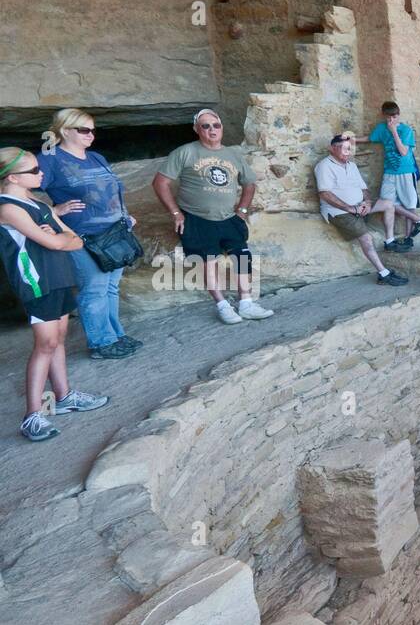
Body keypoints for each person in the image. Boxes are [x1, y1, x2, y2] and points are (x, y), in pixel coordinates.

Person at [0, 147, 109, 442]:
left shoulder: (36, 202)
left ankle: (63, 396)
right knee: (45, 343)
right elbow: (60, 242)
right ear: (13, 178)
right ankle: (32, 415)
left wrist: (56, 237)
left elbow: (73, 241)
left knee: (59, 337)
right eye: (34, 171)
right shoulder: (8, 208)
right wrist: (56, 239)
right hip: (36, 282)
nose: (41, 173)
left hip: (58, 276)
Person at [36, 108, 140, 360]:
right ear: (64, 130)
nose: (90, 135)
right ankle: (101, 343)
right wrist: (53, 210)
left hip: (115, 233)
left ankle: (115, 335)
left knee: (111, 287)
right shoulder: (50, 158)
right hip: (82, 235)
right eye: (84, 130)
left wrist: (124, 215)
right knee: (94, 288)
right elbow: (20, 187)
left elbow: (114, 189)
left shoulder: (96, 157)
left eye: (93, 130)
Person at [153, 109, 273, 324]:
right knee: (208, 261)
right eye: (205, 126)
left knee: (242, 256)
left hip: (229, 217)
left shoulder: (233, 154)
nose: (212, 130)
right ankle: (222, 305)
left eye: (216, 125)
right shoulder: (185, 152)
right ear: (196, 129)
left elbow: (249, 183)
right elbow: (161, 183)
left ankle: (246, 303)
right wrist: (175, 213)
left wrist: (242, 210)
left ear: (222, 128)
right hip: (197, 217)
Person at [314, 133, 410, 286]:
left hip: (360, 207)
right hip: (339, 212)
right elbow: (324, 193)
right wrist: (350, 208)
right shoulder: (324, 166)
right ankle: (383, 273)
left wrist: (367, 202)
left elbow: (364, 188)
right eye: (344, 148)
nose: (348, 152)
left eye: (349, 148)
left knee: (388, 204)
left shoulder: (351, 165)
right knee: (367, 238)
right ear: (333, 149)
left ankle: (390, 241)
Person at [367, 101, 420, 247]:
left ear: (398, 114)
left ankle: (408, 238)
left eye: (395, 116)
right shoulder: (381, 128)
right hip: (389, 172)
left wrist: (394, 131)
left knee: (409, 204)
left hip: (406, 171)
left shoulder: (406, 130)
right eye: (389, 116)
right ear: (384, 115)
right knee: (386, 203)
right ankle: (419, 220)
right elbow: (370, 138)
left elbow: (403, 151)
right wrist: (352, 139)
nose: (392, 119)